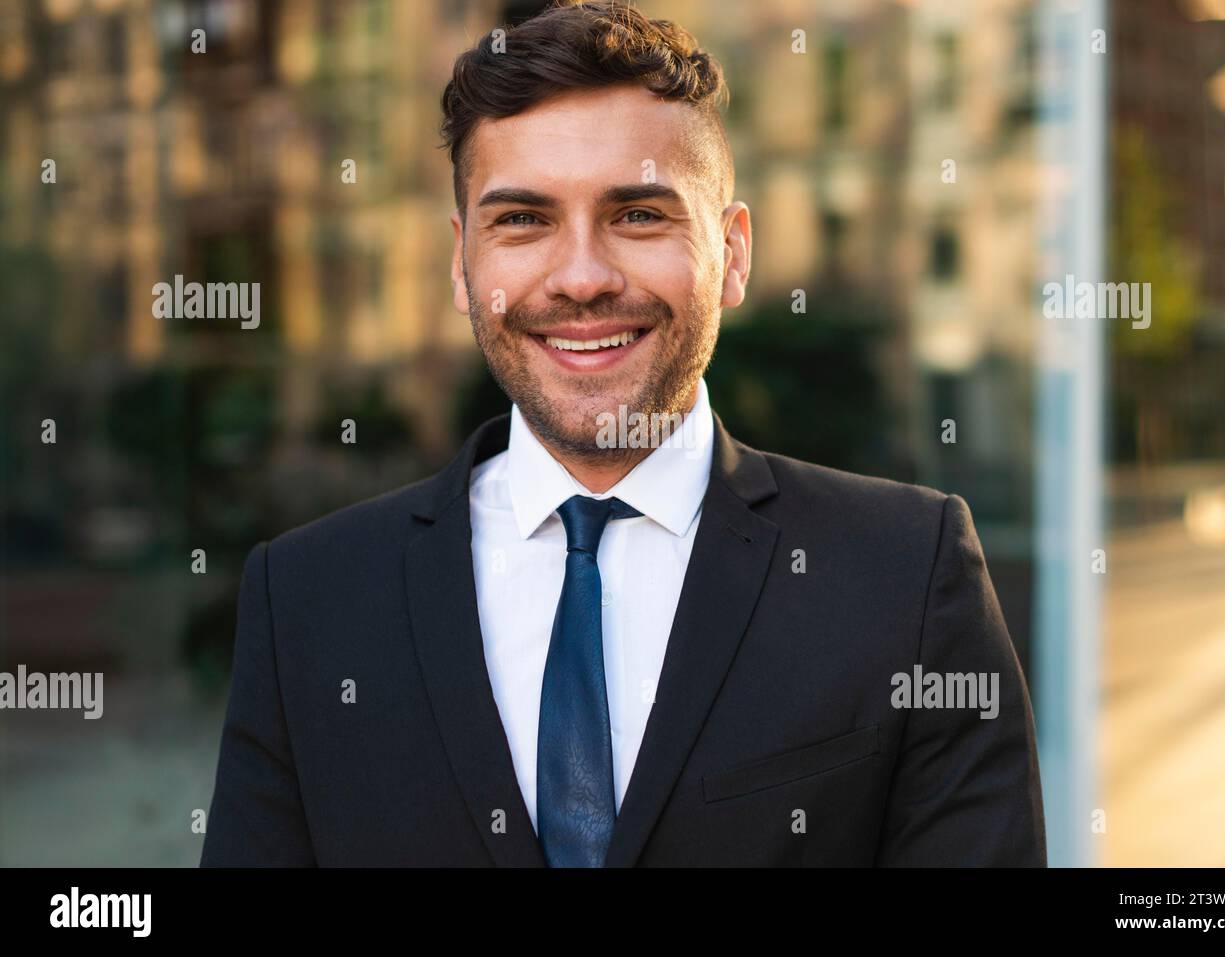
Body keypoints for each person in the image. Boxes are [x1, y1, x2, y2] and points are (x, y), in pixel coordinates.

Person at [200, 0, 1047, 867]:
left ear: (733, 252)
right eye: (522, 220)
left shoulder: (907, 574)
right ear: (462, 263)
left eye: (638, 214)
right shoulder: (307, 601)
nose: (581, 278)